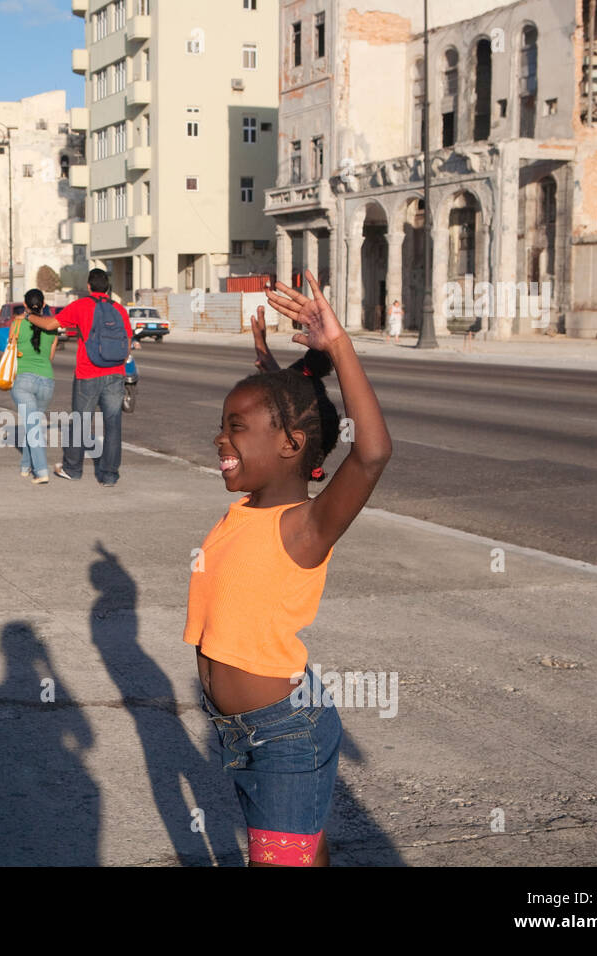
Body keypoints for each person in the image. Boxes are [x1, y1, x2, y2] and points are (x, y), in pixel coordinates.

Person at [185, 269, 392, 867]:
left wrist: (339, 346)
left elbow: (373, 452)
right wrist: (265, 360)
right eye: (223, 425)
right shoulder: (247, 510)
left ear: (292, 445)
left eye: (236, 428)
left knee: (281, 857)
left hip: (282, 734)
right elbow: (281, 405)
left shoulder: (304, 526)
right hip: (249, 731)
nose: (220, 439)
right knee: (298, 846)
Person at [23, 268, 133, 486]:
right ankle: (109, 476)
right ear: (108, 288)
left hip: (88, 373)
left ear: (89, 286)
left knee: (80, 423)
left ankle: (72, 469)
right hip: (115, 374)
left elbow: (50, 324)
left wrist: (30, 316)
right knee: (113, 425)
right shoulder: (119, 309)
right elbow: (127, 343)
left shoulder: (82, 306)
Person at [9, 288, 58, 484]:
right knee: (34, 425)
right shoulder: (52, 328)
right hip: (47, 381)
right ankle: (25, 466)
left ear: (25, 304)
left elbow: (9, 351)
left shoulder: (17, 324)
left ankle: (41, 471)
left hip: (23, 381)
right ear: (44, 305)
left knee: (33, 427)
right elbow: (51, 356)